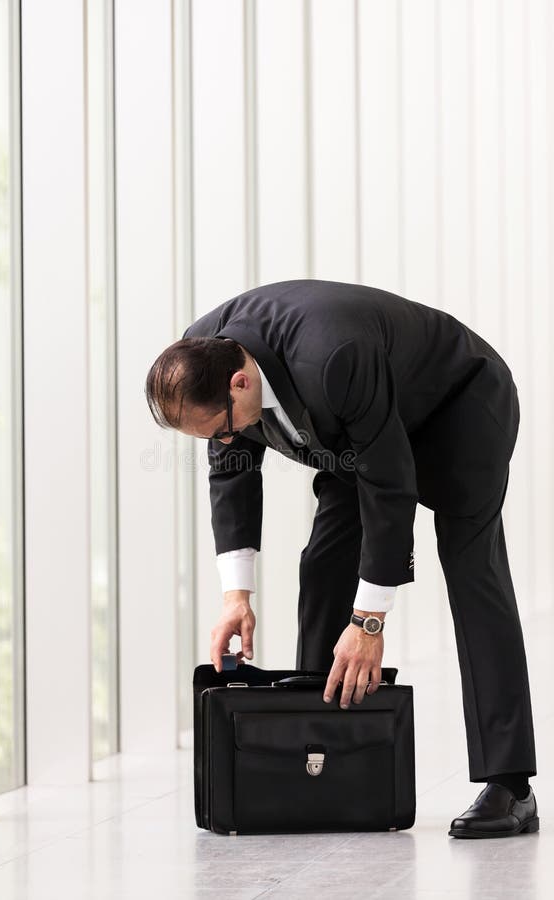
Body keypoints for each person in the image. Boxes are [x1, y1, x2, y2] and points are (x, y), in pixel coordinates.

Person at [145, 278, 538, 839]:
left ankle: (511, 785)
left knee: (472, 570)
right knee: (323, 563)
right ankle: (322, 757)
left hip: (460, 406)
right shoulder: (198, 358)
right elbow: (231, 470)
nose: (225, 442)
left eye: (225, 429)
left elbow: (390, 485)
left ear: (240, 382)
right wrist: (237, 595)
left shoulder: (333, 357)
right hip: (360, 428)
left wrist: (369, 621)